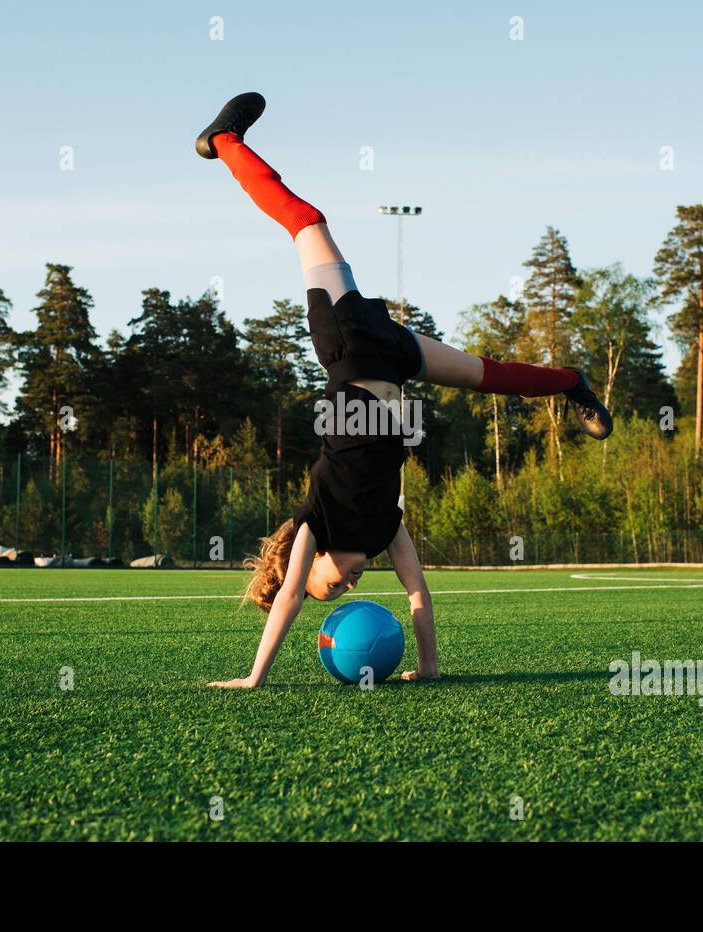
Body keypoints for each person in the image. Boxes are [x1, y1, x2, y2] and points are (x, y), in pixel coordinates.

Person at [198, 93, 612, 688]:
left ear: (311, 556)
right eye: (343, 589)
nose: (349, 583)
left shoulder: (318, 518)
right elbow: (417, 591)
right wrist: (431, 667)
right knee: (485, 375)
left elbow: (288, 597)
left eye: (334, 582)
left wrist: (253, 678)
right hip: (392, 363)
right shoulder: (383, 527)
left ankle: (224, 141)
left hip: (349, 347)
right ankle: (572, 382)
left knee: (307, 222)